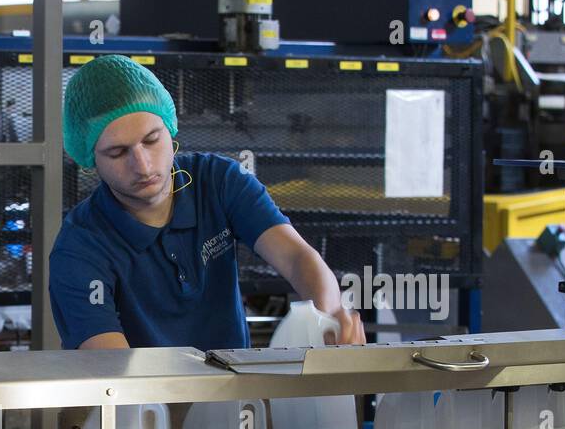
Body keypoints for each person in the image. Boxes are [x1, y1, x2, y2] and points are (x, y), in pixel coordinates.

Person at [49, 54, 364, 351]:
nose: (143, 166)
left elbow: (296, 257)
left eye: (151, 140)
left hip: (235, 400)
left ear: (170, 129)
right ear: (90, 159)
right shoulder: (81, 247)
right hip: (145, 405)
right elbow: (112, 368)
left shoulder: (218, 182)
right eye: (118, 153)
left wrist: (328, 315)